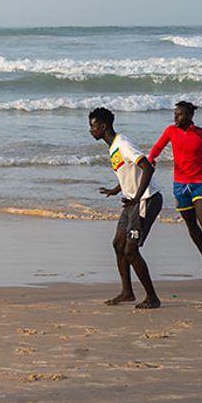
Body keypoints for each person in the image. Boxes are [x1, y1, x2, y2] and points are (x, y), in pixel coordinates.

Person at [89, 107, 164, 309]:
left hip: (146, 200)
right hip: (131, 201)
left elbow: (147, 167)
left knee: (131, 251)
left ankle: (152, 297)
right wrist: (116, 190)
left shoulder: (123, 144)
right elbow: (129, 172)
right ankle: (127, 292)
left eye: (93, 126)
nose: (90, 130)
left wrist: (137, 198)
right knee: (118, 244)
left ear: (103, 126)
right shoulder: (113, 147)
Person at [148, 100, 202, 279]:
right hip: (179, 185)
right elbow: (158, 146)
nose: (176, 117)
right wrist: (151, 158)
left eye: (180, 114)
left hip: (199, 183)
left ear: (190, 116)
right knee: (191, 226)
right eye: (175, 114)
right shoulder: (170, 131)